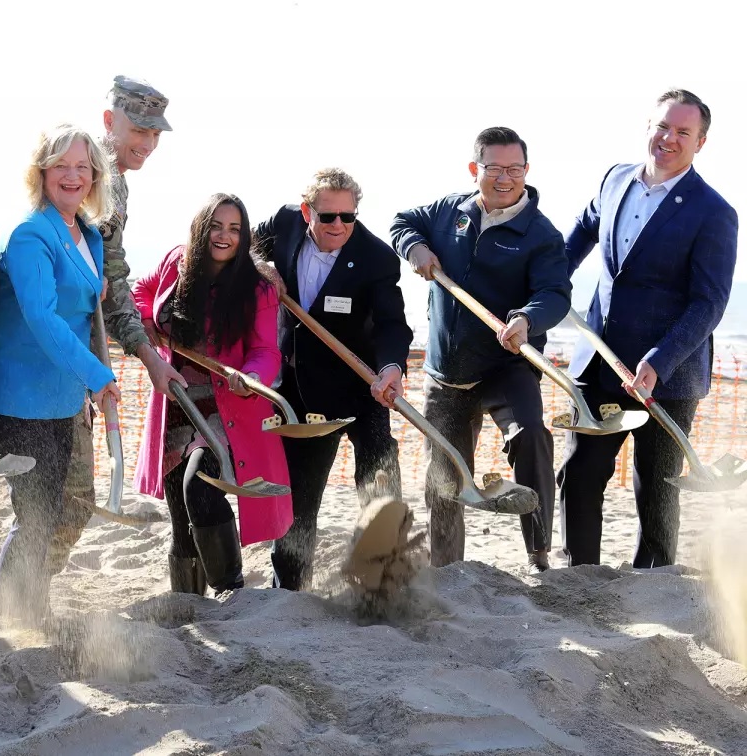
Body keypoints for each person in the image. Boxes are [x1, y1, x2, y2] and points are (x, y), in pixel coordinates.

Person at [558, 89, 738, 568]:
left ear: (701, 142)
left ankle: (653, 587)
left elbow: (709, 303)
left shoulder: (714, 212)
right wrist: (544, 286)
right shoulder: (614, 179)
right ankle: (580, 578)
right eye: (663, 126)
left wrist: (659, 360)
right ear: (649, 127)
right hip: (599, 361)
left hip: (669, 375)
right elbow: (578, 236)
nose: (669, 138)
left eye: (683, 131)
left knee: (655, 489)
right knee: (579, 474)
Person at [390, 127, 569, 571]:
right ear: (475, 170)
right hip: (446, 369)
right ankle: (447, 569)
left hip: (504, 363)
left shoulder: (541, 235)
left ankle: (538, 552)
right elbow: (401, 222)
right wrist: (414, 247)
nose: (504, 178)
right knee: (444, 477)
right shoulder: (449, 211)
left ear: (527, 171)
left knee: (531, 435)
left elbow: (554, 293)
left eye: (514, 169)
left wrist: (526, 318)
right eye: (494, 168)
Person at [0, 124, 120, 625]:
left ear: (96, 176)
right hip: (17, 396)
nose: (73, 175)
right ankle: (11, 622)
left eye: (83, 166)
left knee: (70, 507)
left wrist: (84, 382)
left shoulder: (89, 235)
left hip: (62, 395)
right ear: (42, 173)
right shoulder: (30, 236)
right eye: (61, 165)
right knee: (36, 514)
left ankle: (29, 600)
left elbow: (84, 311)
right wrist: (99, 375)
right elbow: (41, 317)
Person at [45, 76, 187, 576]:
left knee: (64, 498)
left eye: (156, 134)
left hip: (75, 346)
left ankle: (27, 600)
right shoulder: (89, 176)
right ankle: (18, 606)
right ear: (110, 121)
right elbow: (108, 280)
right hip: (53, 346)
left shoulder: (113, 181)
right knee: (64, 497)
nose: (147, 144)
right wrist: (148, 358)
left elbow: (111, 274)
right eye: (139, 130)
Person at [254, 168, 412, 591]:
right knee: (299, 501)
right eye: (328, 217)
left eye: (349, 216)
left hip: (364, 388)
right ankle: (288, 591)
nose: (339, 225)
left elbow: (393, 325)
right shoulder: (286, 224)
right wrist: (259, 267)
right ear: (307, 211)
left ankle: (386, 582)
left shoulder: (376, 258)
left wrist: (392, 368)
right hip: (302, 391)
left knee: (380, 481)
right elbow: (243, 245)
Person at [134, 193, 292, 595]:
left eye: (235, 229)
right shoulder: (177, 262)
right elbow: (141, 289)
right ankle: (187, 604)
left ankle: (230, 591)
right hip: (176, 404)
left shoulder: (257, 289)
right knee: (180, 517)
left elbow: (265, 351)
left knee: (200, 486)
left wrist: (251, 378)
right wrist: (142, 324)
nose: (224, 236)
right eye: (217, 226)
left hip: (225, 409)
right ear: (202, 229)